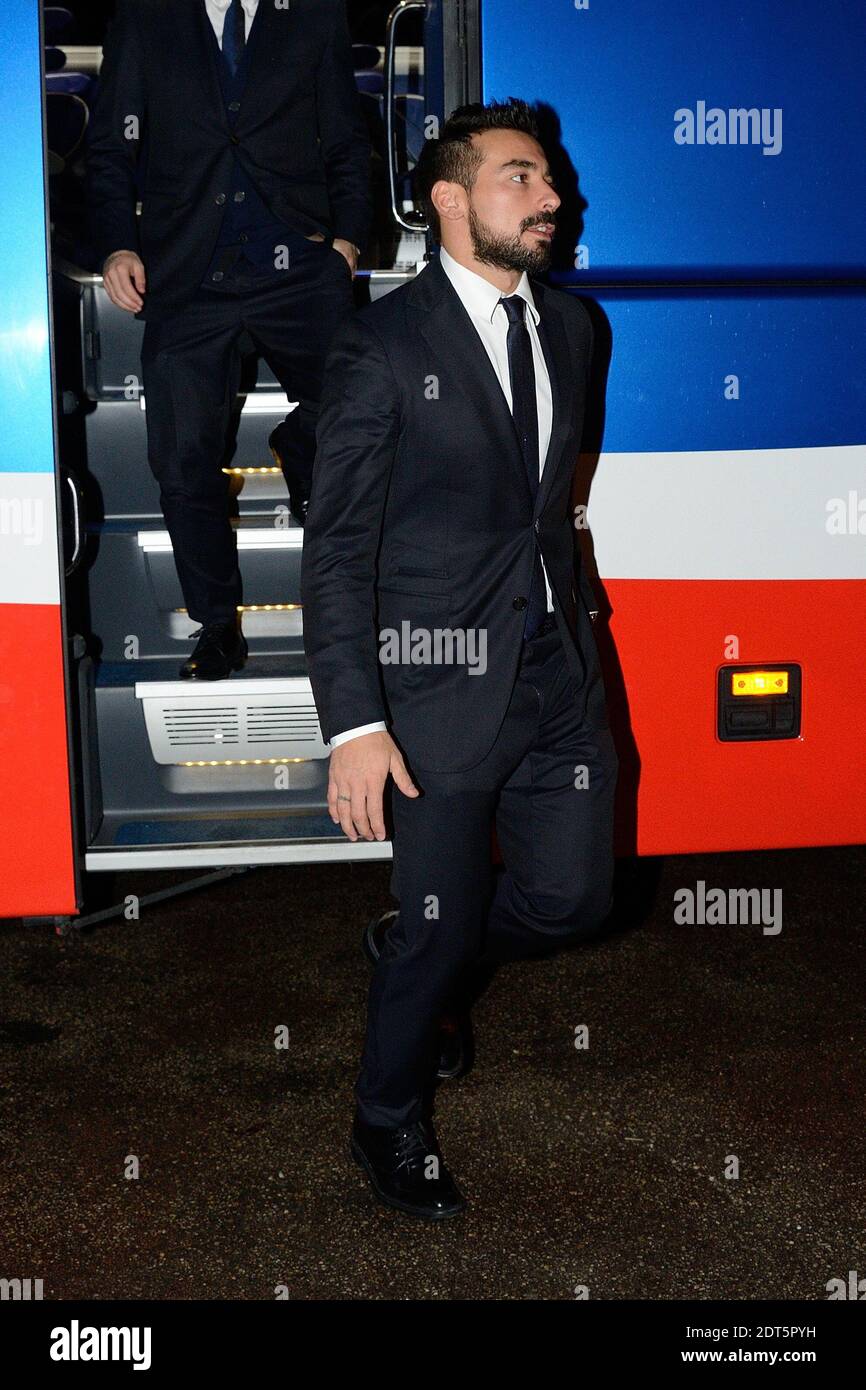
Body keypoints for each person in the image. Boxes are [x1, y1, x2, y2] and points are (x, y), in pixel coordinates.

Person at [300, 99, 619, 1219]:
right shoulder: (379, 345)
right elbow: (337, 546)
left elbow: (540, 510)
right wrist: (352, 722)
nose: (552, 201)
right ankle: (385, 1122)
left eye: (551, 183)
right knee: (441, 933)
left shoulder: (576, 330)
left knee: (576, 896)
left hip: (557, 664)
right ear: (447, 198)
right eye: (522, 179)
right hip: (430, 682)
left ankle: (414, 943)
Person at [87, 0, 371, 679]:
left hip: (298, 263)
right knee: (182, 460)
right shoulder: (143, 19)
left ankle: (302, 450)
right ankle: (218, 626)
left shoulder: (315, 15)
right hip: (187, 273)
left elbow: (345, 141)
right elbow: (108, 148)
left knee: (360, 414)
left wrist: (348, 244)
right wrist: (116, 246)